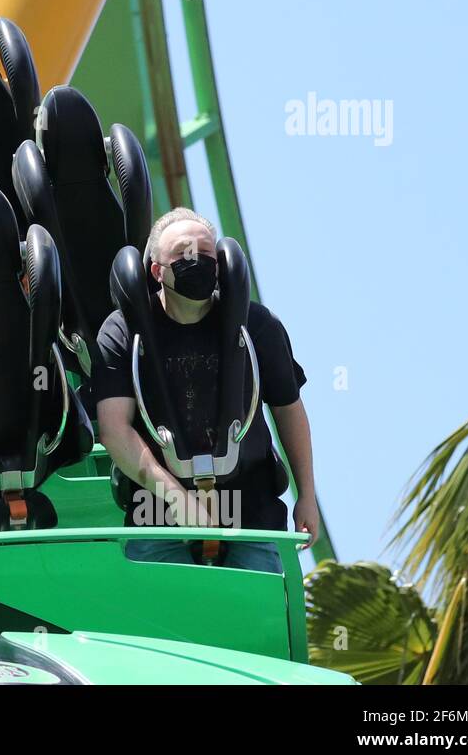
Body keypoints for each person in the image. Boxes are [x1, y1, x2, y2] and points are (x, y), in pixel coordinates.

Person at [93, 207, 320, 573]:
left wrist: (306, 495)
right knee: (161, 603)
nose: (195, 260)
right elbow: (114, 429)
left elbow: (288, 409)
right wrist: (176, 497)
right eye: (183, 253)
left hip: (250, 505)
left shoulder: (257, 325)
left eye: (205, 253)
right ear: (157, 271)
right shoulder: (123, 333)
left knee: (254, 603)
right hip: (157, 509)